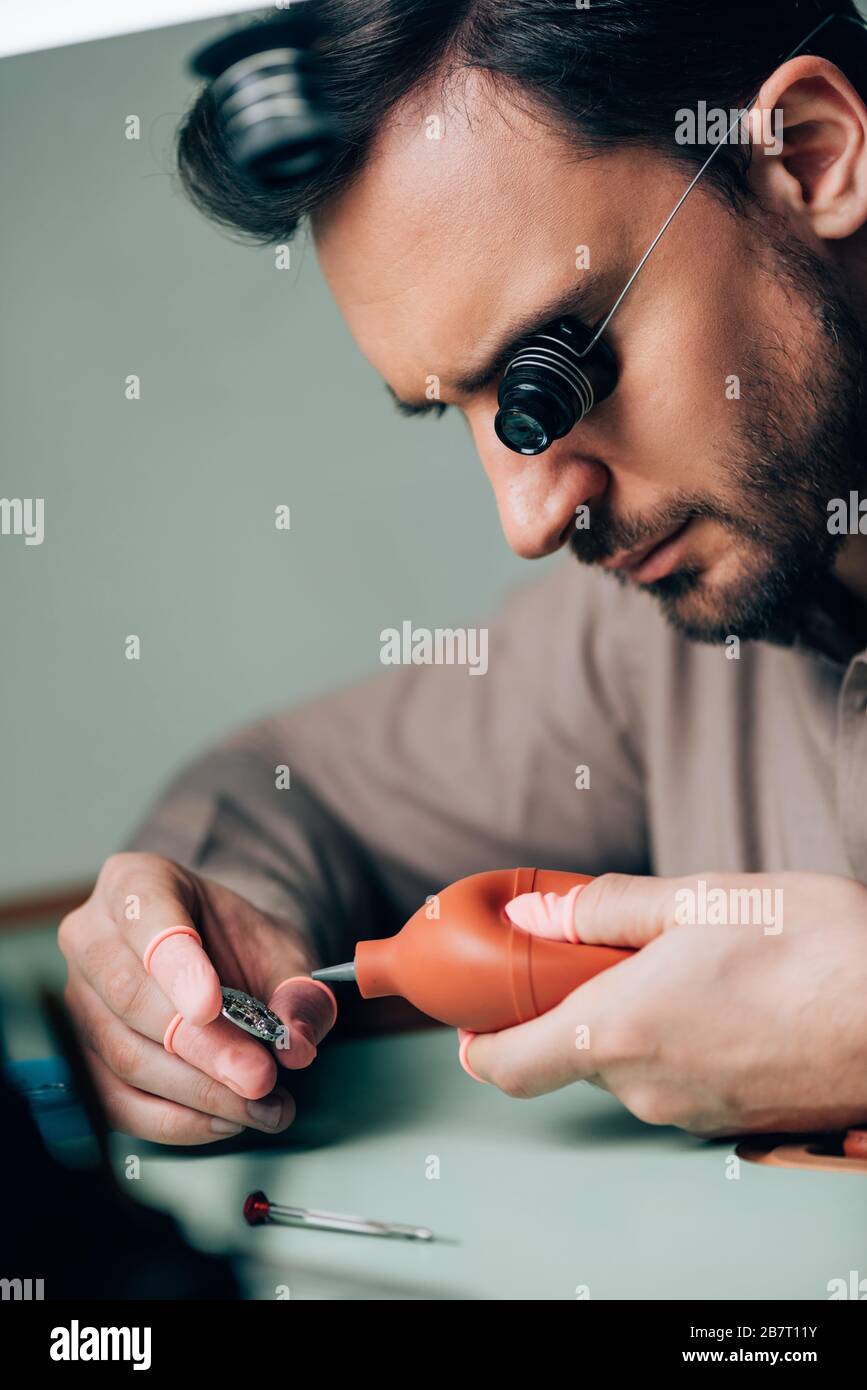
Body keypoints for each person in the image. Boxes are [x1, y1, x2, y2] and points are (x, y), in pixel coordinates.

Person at [59, 0, 867, 1144]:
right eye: (461, 415)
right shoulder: (652, 635)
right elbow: (294, 783)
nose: (530, 518)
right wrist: (191, 943)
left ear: (809, 156)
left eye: (553, 374)